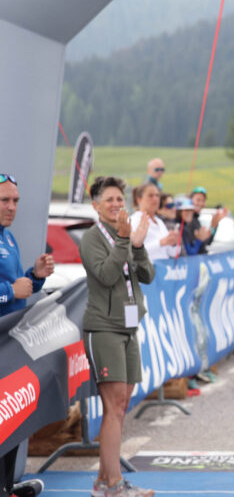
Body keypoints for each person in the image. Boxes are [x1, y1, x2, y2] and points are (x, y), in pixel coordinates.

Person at [79, 176, 155, 497]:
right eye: (109, 200)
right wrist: (126, 242)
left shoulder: (123, 235)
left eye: (119, 200)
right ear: (96, 206)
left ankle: (103, 481)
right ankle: (113, 484)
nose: (116, 205)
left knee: (122, 405)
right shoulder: (91, 238)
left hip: (129, 327)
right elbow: (108, 275)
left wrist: (136, 245)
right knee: (113, 406)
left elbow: (147, 275)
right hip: (104, 328)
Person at [0, 173, 50, 497]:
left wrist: (35, 276)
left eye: (16, 201)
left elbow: (19, 289)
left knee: (12, 416)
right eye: (5, 200)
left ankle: (6, 486)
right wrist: (8, 291)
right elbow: (9, 292)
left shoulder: (9, 238)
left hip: (10, 344)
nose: (12, 207)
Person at [130, 182, 179, 260]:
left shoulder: (159, 222)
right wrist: (160, 243)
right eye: (150, 195)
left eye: (157, 195)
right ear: (139, 200)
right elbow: (132, 252)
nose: (155, 199)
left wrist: (173, 242)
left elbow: (172, 253)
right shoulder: (133, 221)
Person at [188, 186, 227, 255]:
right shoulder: (188, 221)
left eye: (203, 201)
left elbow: (206, 242)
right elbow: (195, 249)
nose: (201, 203)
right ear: (190, 200)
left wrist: (214, 225)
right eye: (198, 200)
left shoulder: (196, 220)